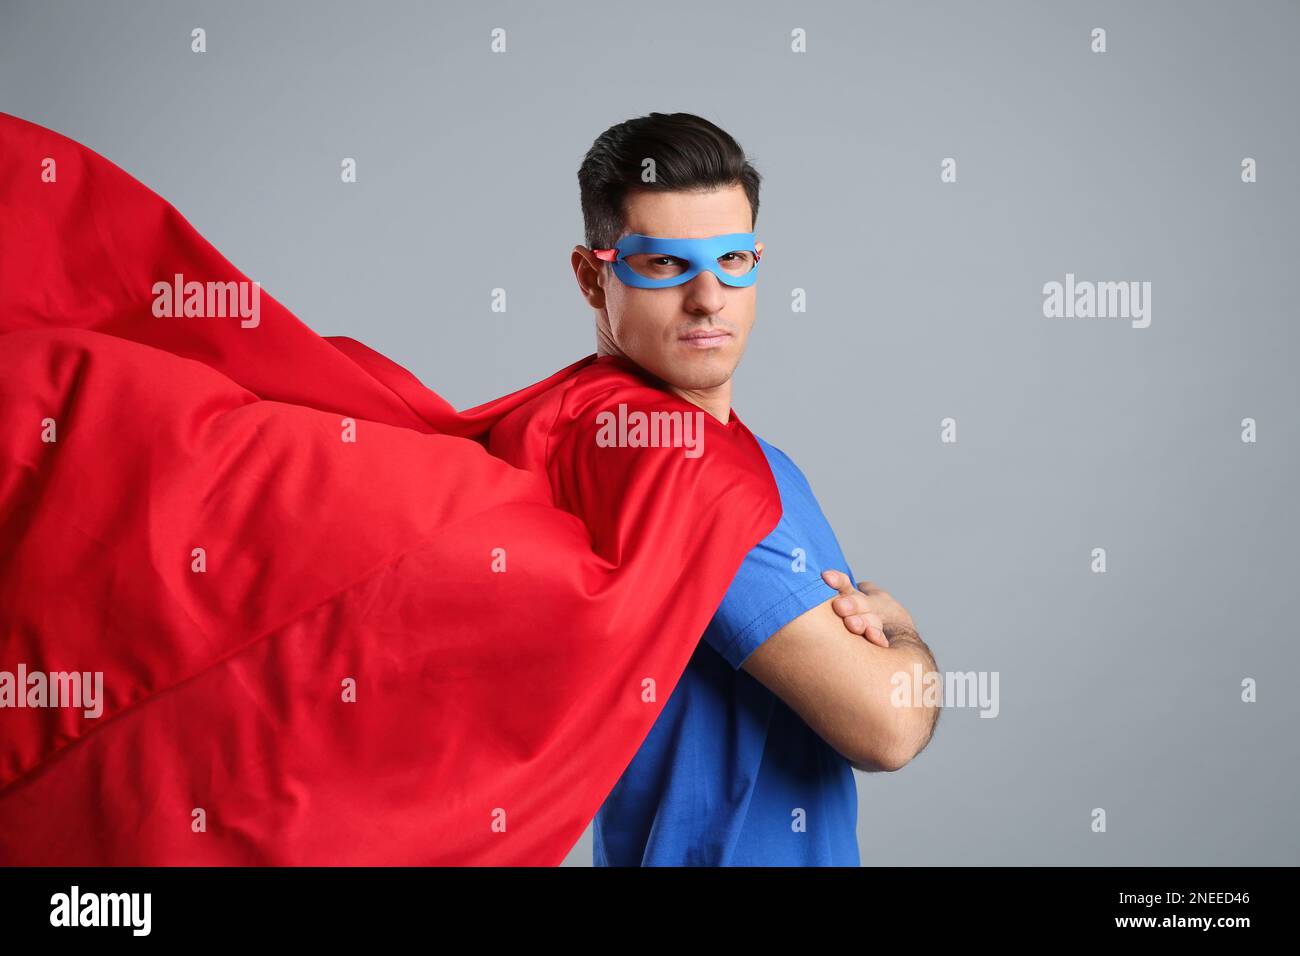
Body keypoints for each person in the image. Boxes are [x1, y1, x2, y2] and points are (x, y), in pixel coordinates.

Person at [573, 113, 941, 866]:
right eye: (665, 265)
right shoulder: (667, 463)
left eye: (733, 258)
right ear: (592, 275)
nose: (709, 298)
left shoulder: (745, 460)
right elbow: (888, 725)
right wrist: (905, 641)